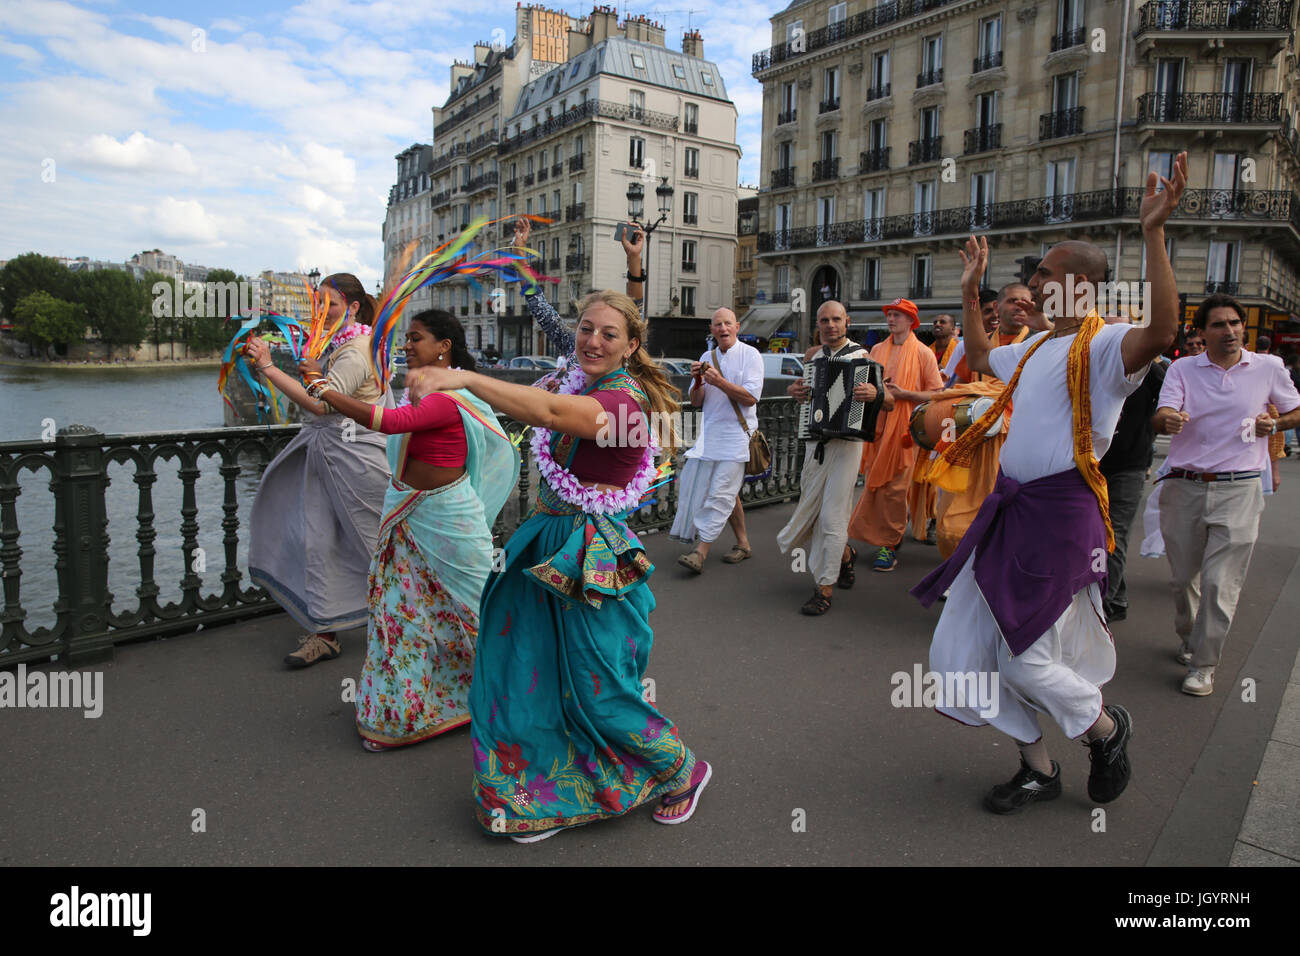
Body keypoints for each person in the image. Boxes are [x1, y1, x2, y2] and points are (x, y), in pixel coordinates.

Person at [913, 150, 1189, 814]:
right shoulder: (1034, 348)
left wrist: (1153, 233)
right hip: (1009, 516)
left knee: (1024, 657)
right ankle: (1037, 767)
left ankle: (1104, 727)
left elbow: (1164, 330)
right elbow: (978, 357)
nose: (1032, 281)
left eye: (1044, 272)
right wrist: (971, 286)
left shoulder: (1103, 347)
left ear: (1080, 286)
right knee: (964, 651)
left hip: (1061, 518)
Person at [414, 288, 710, 841]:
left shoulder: (622, 405)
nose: (592, 340)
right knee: (531, 667)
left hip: (587, 557)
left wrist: (463, 377)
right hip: (547, 539)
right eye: (585, 329)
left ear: (631, 345)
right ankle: (537, 794)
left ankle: (682, 769)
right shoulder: (581, 377)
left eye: (608, 333)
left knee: (596, 682)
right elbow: (549, 390)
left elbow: (547, 412)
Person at [300, 311, 518, 749]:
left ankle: (515, 700)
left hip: (449, 518)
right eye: (405, 339)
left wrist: (324, 389)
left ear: (444, 347)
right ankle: (401, 713)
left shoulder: (448, 395)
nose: (406, 346)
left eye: (416, 338)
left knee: (475, 610)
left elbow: (392, 424)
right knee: (401, 612)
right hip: (408, 510)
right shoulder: (427, 390)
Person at [1153, 294, 1300, 695]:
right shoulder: (1183, 368)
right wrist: (1169, 419)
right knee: (1184, 580)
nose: (1230, 330)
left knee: (1220, 584)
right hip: (1184, 485)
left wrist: (1276, 422)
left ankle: (1204, 665)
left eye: (1235, 323)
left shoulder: (1268, 367)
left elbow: (1295, 410)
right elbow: (1162, 413)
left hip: (1241, 486)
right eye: (1219, 324)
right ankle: (1190, 637)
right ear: (1202, 332)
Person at [244, 274, 392, 668]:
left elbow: (323, 406)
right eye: (319, 305)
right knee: (317, 542)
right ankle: (326, 632)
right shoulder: (342, 345)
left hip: (355, 462)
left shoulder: (357, 349)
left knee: (378, 547)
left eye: (333, 306)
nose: (323, 314)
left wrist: (269, 368)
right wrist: (309, 370)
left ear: (354, 309)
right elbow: (324, 392)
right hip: (326, 456)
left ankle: (418, 628)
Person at [777, 301, 892, 614]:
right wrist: (795, 391)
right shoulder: (813, 356)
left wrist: (876, 394)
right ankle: (845, 556)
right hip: (816, 444)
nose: (830, 325)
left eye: (836, 319)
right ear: (818, 322)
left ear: (847, 322)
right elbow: (805, 392)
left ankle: (823, 589)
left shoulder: (863, 356)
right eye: (824, 320)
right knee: (814, 514)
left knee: (833, 517)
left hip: (848, 445)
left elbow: (891, 401)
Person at [849, 298, 944, 571]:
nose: (891, 319)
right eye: (890, 314)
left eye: (898, 315)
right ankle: (882, 538)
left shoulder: (923, 353)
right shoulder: (876, 349)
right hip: (876, 428)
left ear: (911, 321)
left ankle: (889, 545)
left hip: (905, 432)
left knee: (896, 490)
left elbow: (937, 394)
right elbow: (866, 384)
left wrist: (906, 395)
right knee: (875, 487)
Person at [670, 308, 763, 571]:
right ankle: (743, 544)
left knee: (721, 492)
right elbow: (697, 402)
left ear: (737, 326)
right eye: (717, 324)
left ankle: (700, 551)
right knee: (717, 490)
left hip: (737, 436)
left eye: (727, 324)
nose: (723, 328)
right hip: (709, 436)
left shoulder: (751, 355)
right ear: (711, 329)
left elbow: (751, 398)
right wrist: (698, 381)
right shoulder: (706, 356)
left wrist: (719, 381)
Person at [1099, 314, 1166, 623]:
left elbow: (1171, 403)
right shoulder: (1092, 368)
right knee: (1095, 536)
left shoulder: (1152, 371)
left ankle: (1101, 606)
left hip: (1129, 467)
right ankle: (1118, 597)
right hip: (1091, 465)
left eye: (1123, 330)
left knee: (1115, 536)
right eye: (1108, 329)